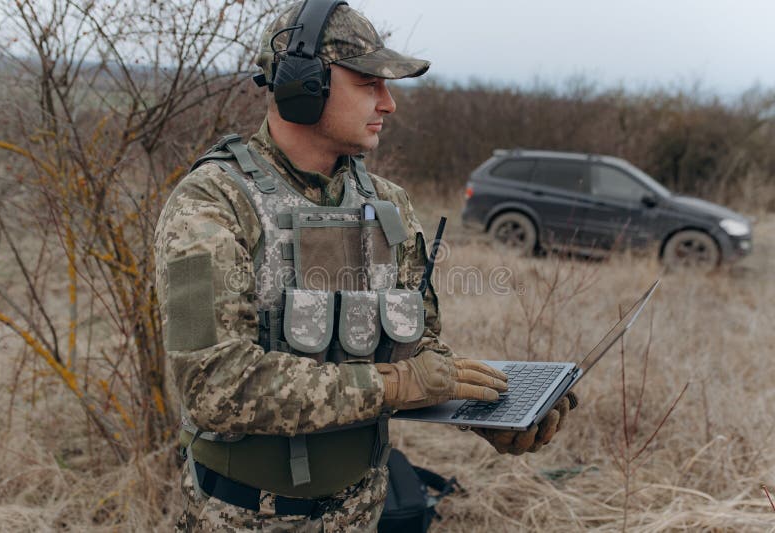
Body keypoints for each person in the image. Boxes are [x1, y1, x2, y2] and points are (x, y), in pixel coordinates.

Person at [154, 1, 576, 531]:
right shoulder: (212, 203)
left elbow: (414, 350)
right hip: (243, 517)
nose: (389, 103)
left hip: (361, 511)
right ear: (304, 85)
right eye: (368, 83)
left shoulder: (386, 204)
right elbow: (215, 386)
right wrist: (397, 385)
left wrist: (486, 412)